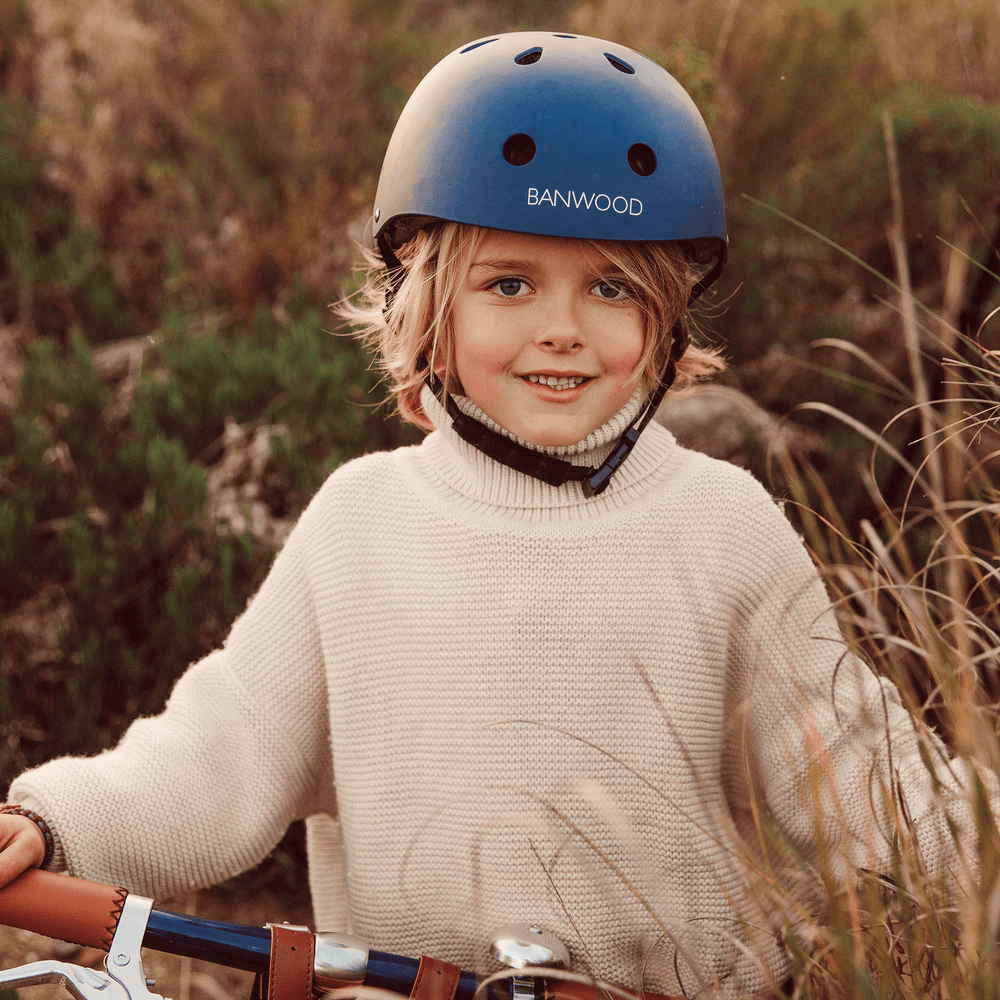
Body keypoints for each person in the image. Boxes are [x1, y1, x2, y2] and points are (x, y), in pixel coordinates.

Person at [0, 31, 988, 999]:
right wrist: (60, 822)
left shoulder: (722, 527)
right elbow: (227, 740)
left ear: (667, 318)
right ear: (432, 305)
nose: (559, 325)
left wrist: (972, 853)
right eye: (508, 284)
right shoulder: (363, 522)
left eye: (610, 286)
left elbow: (858, 776)